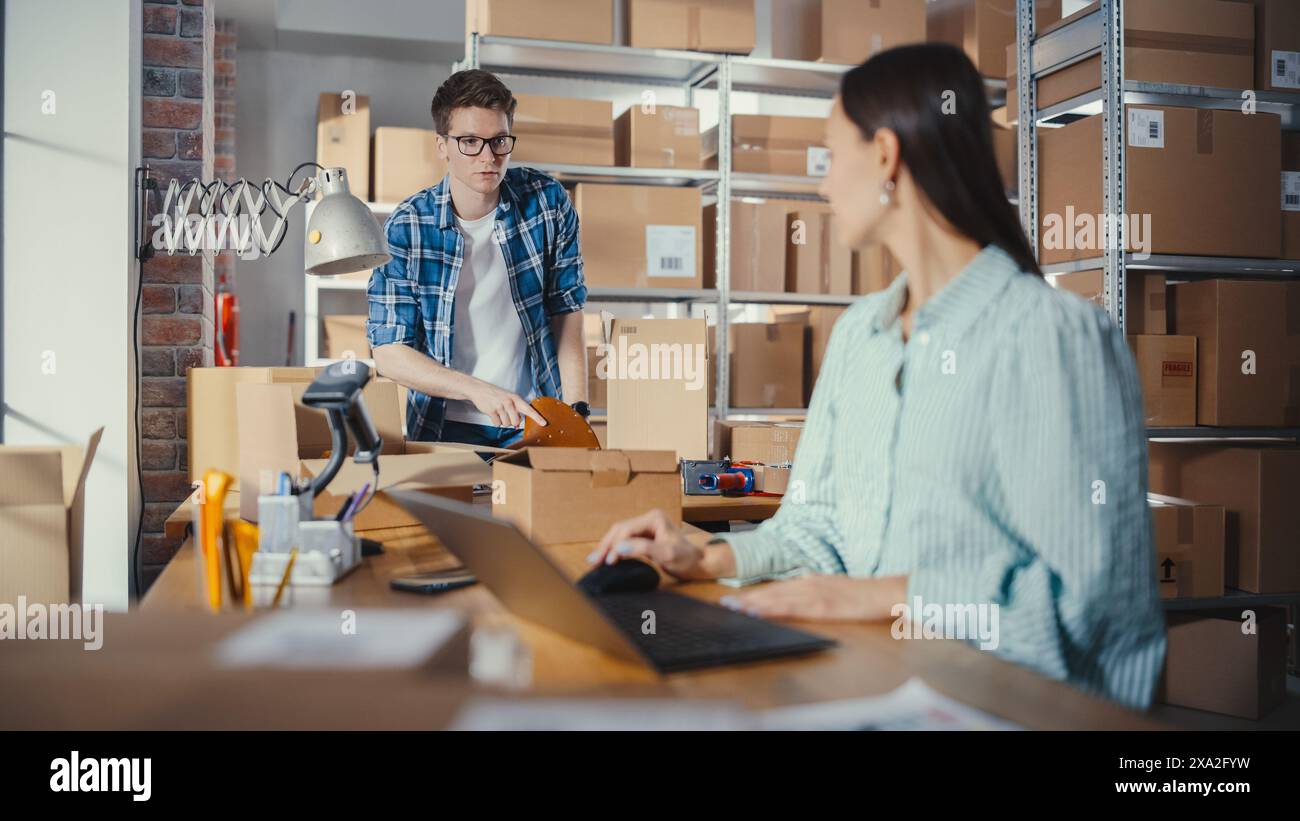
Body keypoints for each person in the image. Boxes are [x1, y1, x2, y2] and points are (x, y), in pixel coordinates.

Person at [588, 44, 1166, 709]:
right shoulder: (860, 337)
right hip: (865, 684)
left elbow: (1093, 603)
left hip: (1011, 709)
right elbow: (820, 529)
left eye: (831, 157)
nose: (823, 184)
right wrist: (709, 555)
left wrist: (885, 595)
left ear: (887, 156)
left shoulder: (1055, 339)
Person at [367, 69, 589, 448]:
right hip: (444, 425)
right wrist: (476, 391)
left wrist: (577, 414)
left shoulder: (548, 203)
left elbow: (566, 313)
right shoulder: (407, 226)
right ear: (442, 146)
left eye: (499, 141)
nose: (488, 157)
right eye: (470, 141)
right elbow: (388, 351)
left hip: (536, 420)